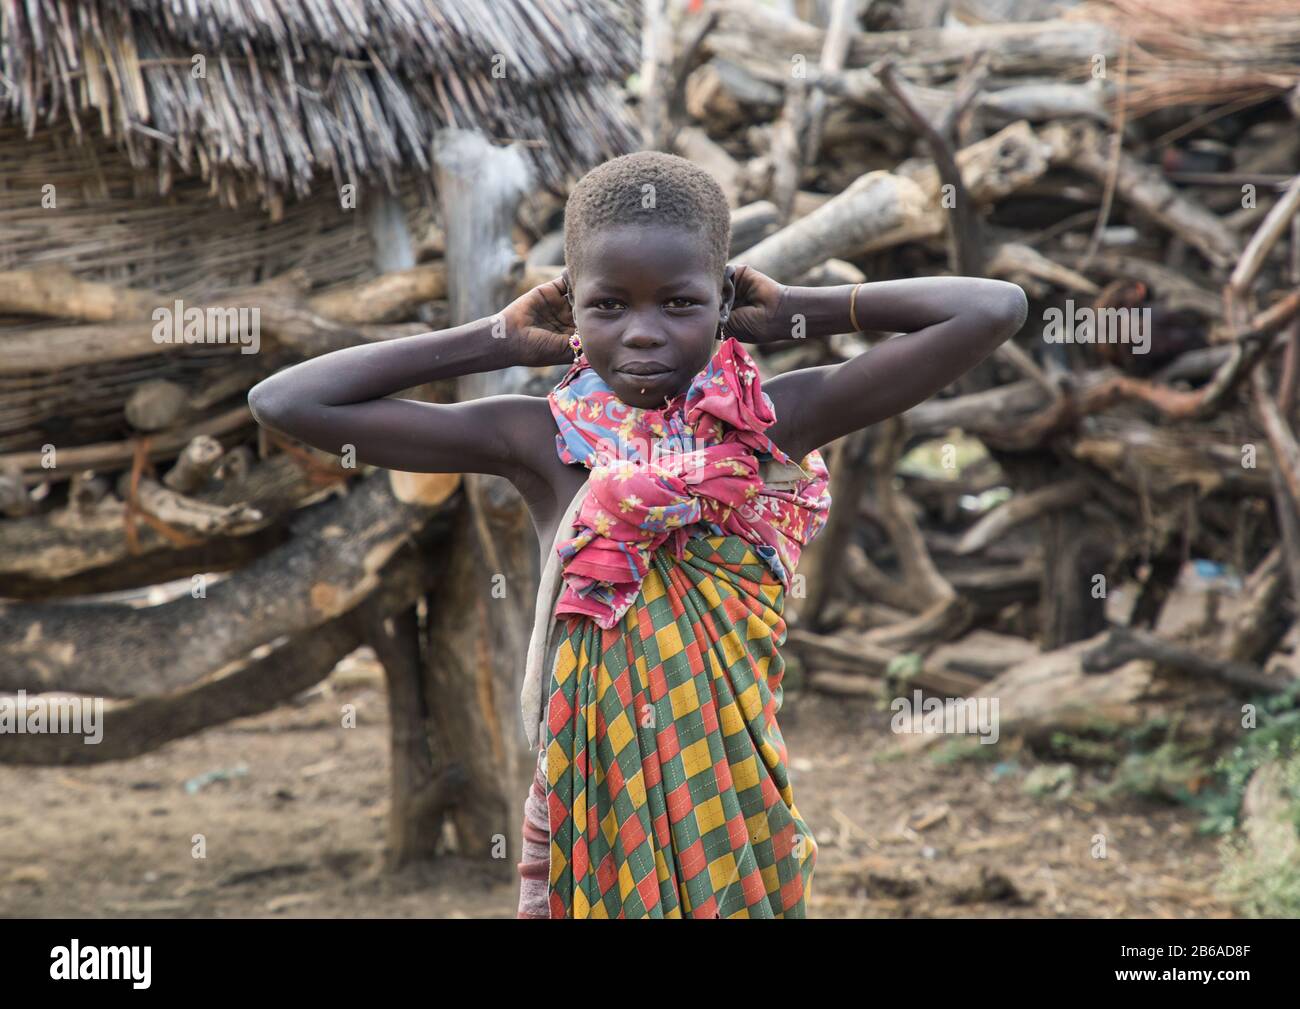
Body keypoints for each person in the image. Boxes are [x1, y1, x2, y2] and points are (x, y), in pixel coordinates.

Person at [248, 151, 1027, 918]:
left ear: (722, 300)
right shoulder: (543, 442)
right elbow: (288, 399)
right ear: (569, 309)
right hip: (598, 810)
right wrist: (500, 337)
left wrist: (799, 308)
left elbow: (993, 309)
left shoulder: (773, 426)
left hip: (730, 805)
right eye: (609, 305)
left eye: (679, 304)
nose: (644, 332)